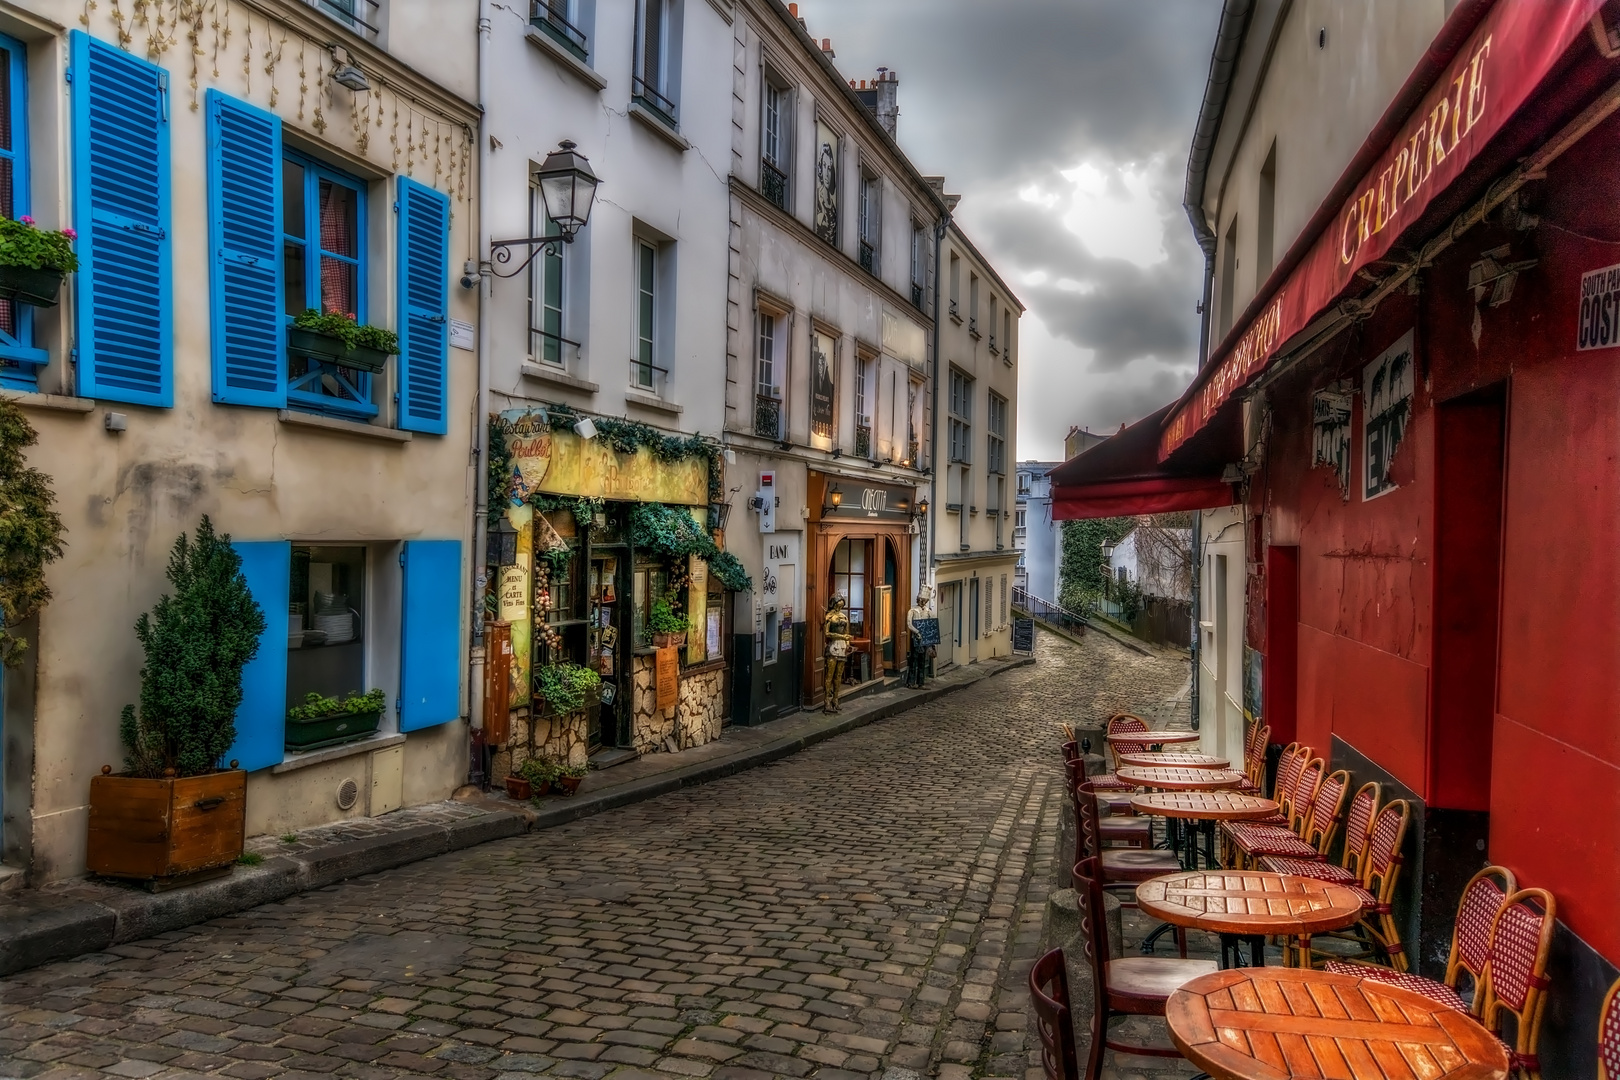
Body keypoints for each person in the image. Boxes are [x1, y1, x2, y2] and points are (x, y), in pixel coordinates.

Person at [823, 595, 852, 713]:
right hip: (833, 646)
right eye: (839, 601)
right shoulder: (829, 616)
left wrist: (848, 643)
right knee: (829, 675)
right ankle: (827, 700)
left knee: (838, 675)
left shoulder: (844, 617)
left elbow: (847, 632)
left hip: (842, 647)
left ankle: (836, 699)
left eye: (842, 601)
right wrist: (842, 637)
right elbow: (827, 633)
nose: (841, 603)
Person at [905, 594, 931, 688]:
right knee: (914, 660)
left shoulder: (928, 611)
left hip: (924, 639)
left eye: (925, 600)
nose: (923, 602)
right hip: (915, 638)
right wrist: (917, 632)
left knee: (922, 660)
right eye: (921, 600)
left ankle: (921, 682)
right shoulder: (912, 610)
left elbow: (931, 623)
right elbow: (909, 624)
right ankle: (911, 682)